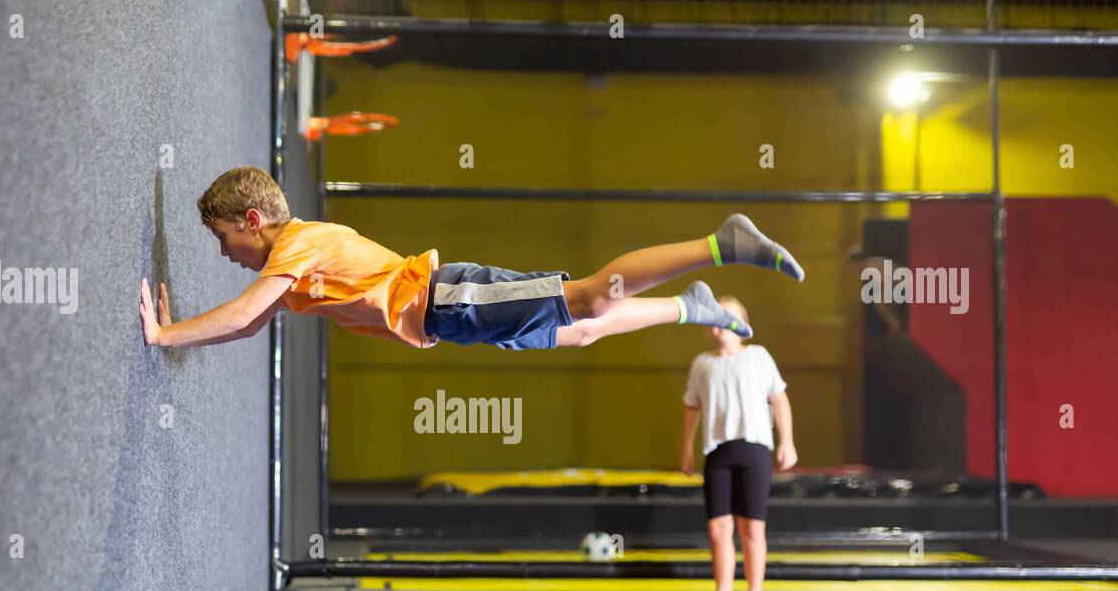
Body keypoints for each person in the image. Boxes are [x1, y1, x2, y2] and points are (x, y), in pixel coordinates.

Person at [138, 166, 804, 351]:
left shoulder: (297, 244)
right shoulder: (297, 259)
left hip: (447, 301)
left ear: (253, 222)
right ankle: (691, 308)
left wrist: (165, 333)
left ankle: (722, 244)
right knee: (586, 331)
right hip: (449, 317)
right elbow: (250, 322)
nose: (227, 254)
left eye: (225, 238)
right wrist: (184, 329)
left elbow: (247, 310)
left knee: (596, 297)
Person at [681, 297, 797, 591]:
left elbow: (779, 398)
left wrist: (787, 440)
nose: (720, 323)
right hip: (718, 449)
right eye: (715, 316)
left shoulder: (757, 356)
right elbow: (692, 407)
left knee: (752, 527)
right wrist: (686, 448)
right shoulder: (702, 363)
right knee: (718, 527)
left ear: (741, 321)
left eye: (728, 316)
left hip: (754, 447)